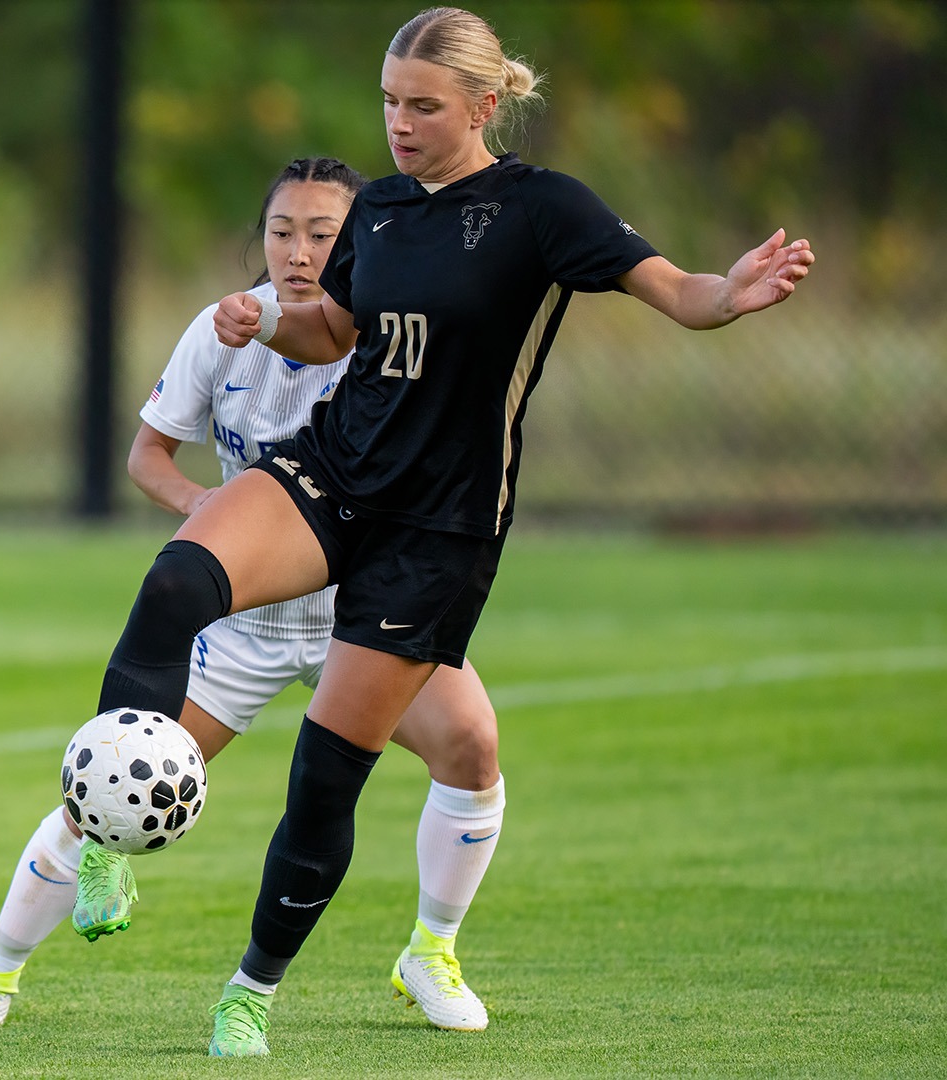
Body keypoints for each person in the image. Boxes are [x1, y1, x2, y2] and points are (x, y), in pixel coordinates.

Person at [86, 6, 815, 1057]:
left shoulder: (542, 209)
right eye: (389, 102)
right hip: (335, 469)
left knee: (325, 775)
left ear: (485, 104)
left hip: (442, 527)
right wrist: (263, 323)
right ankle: (114, 817)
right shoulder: (376, 209)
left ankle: (250, 992)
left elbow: (682, 295)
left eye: (423, 106)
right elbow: (335, 328)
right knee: (175, 585)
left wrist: (728, 297)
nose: (400, 124)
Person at [0, 157, 506, 1035]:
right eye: (283, 232)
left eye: (325, 234)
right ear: (261, 239)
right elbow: (147, 458)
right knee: (110, 790)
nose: (301, 253)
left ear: (362, 242)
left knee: (471, 752)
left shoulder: (395, 335)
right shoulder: (224, 329)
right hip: (243, 622)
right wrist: (216, 515)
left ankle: (431, 953)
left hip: (362, 616)